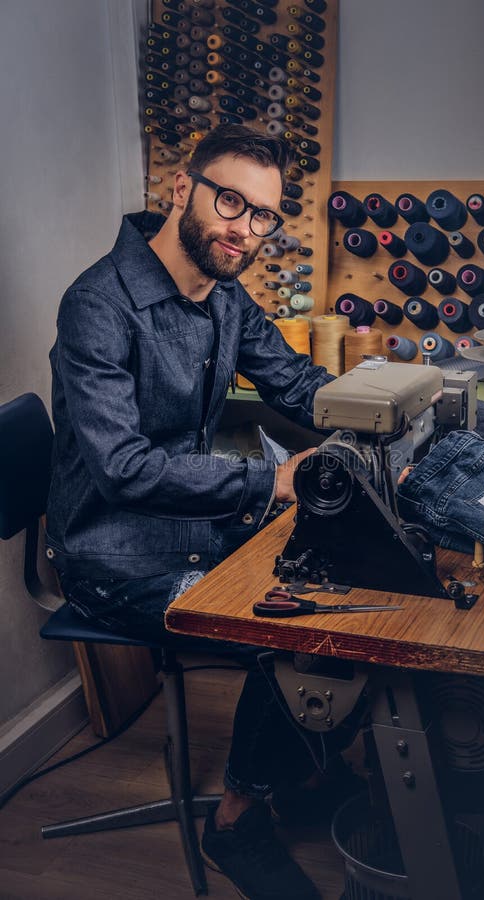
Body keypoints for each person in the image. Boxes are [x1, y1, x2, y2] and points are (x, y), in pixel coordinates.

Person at [46, 125, 360, 900]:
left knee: (349, 592)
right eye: (230, 201)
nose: (244, 230)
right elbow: (121, 471)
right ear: (180, 188)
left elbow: (292, 383)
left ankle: (299, 773)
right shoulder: (97, 304)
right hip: (110, 551)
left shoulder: (223, 294)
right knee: (282, 626)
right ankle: (237, 820)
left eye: (262, 216)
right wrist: (269, 484)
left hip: (191, 527)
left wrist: (382, 411)